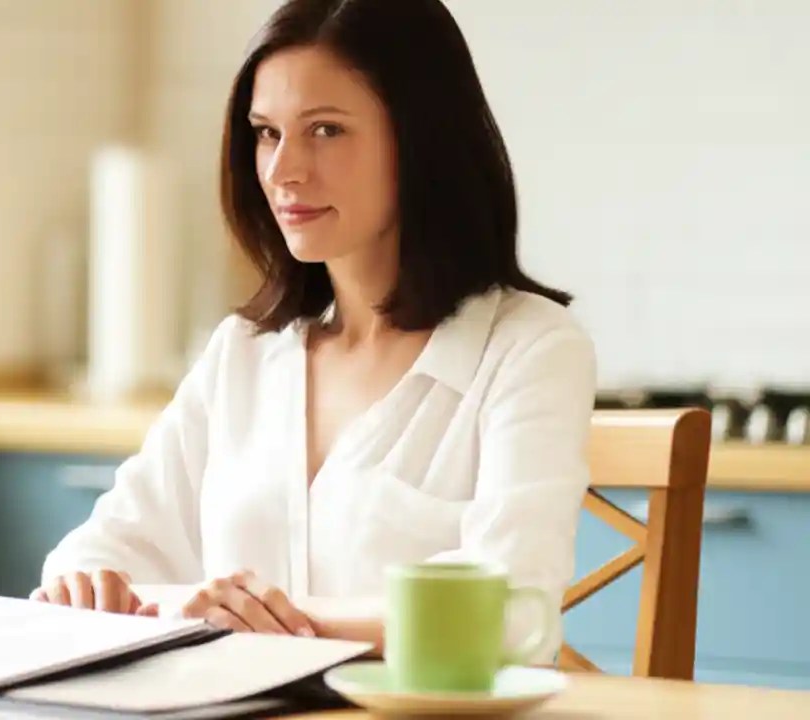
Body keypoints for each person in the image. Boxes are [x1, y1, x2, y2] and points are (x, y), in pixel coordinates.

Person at [33, 0, 595, 660]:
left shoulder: (531, 348)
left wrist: (269, 617)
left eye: (325, 130)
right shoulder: (241, 353)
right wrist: (88, 584)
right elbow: (107, 547)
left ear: (421, 142)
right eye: (267, 132)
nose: (282, 170)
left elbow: (511, 615)